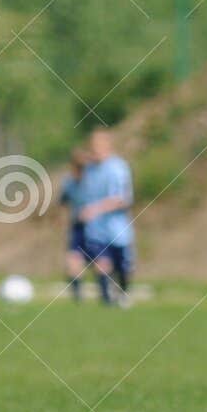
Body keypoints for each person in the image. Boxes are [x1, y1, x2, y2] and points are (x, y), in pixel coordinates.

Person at [78, 129, 135, 307]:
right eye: (92, 145)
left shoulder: (118, 168)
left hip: (117, 228)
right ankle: (106, 302)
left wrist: (96, 209)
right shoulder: (89, 169)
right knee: (101, 262)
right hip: (96, 229)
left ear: (107, 146)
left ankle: (123, 294)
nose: (94, 149)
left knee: (123, 268)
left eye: (97, 145)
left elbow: (122, 199)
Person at [61, 146, 91, 302]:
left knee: (103, 262)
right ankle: (78, 297)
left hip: (97, 228)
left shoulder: (94, 181)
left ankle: (109, 294)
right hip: (78, 227)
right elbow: (63, 202)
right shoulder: (69, 183)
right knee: (73, 261)